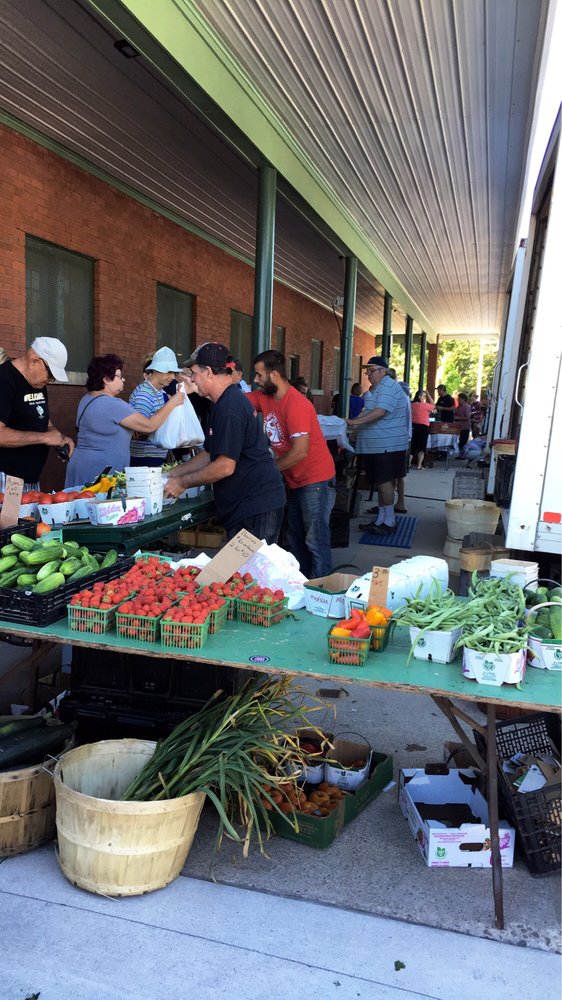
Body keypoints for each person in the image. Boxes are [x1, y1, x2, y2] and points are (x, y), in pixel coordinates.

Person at [164, 343, 285, 543]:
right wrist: (172, 474)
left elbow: (225, 466)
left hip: (255, 505)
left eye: (194, 373)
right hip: (247, 504)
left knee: (250, 572)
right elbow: (211, 454)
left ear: (209, 372)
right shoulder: (222, 403)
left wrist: (182, 483)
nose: (192, 379)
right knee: (238, 572)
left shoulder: (230, 407)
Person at [249, 350, 336, 578]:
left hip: (314, 479)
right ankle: (304, 586)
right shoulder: (265, 397)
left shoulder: (296, 404)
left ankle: (323, 591)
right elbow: (235, 401)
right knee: (296, 539)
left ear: (274, 375)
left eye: (259, 375)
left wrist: (268, 471)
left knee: (315, 539)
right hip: (295, 479)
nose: (256, 380)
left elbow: (299, 452)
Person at [65, 354, 183, 486]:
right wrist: (172, 402)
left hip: (80, 466)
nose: (124, 380)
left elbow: (105, 430)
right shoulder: (113, 404)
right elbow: (149, 426)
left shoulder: (87, 399)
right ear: (106, 379)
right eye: (120, 376)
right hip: (100, 474)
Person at [0, 337, 74, 490]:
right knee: (12, 516)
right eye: (51, 374)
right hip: (6, 480)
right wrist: (44, 438)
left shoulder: (38, 383)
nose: (51, 380)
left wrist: (59, 437)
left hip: (31, 480)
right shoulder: (4, 379)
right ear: (35, 361)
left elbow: (41, 419)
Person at [347, 356, 409, 534]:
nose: (368, 375)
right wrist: (355, 426)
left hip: (386, 444)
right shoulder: (379, 389)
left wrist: (352, 423)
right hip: (378, 444)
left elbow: (380, 412)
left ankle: (389, 521)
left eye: (372, 371)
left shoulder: (388, 387)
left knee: (384, 482)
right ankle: (381, 519)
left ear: (383, 371)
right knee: (381, 482)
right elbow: (369, 411)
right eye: (367, 372)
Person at [127, 346, 182, 467]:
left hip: (155, 455)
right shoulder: (144, 393)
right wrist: (171, 404)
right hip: (144, 458)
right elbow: (141, 430)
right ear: (155, 370)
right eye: (169, 372)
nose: (173, 377)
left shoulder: (159, 392)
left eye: (174, 372)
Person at [410, 389, 435, 470]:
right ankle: (419, 465)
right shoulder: (425, 405)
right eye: (423, 396)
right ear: (419, 396)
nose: (424, 398)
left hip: (413, 426)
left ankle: (408, 464)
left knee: (413, 446)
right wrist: (428, 395)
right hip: (423, 427)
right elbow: (433, 405)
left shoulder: (412, 405)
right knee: (422, 446)